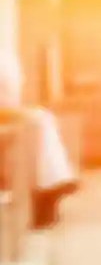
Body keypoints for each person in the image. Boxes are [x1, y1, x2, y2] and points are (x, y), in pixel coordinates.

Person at [0, 46, 76, 228]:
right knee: (39, 122)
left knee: (41, 120)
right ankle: (51, 185)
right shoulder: (5, 58)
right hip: (6, 112)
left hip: (7, 111)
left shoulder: (5, 56)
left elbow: (9, 96)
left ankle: (53, 184)